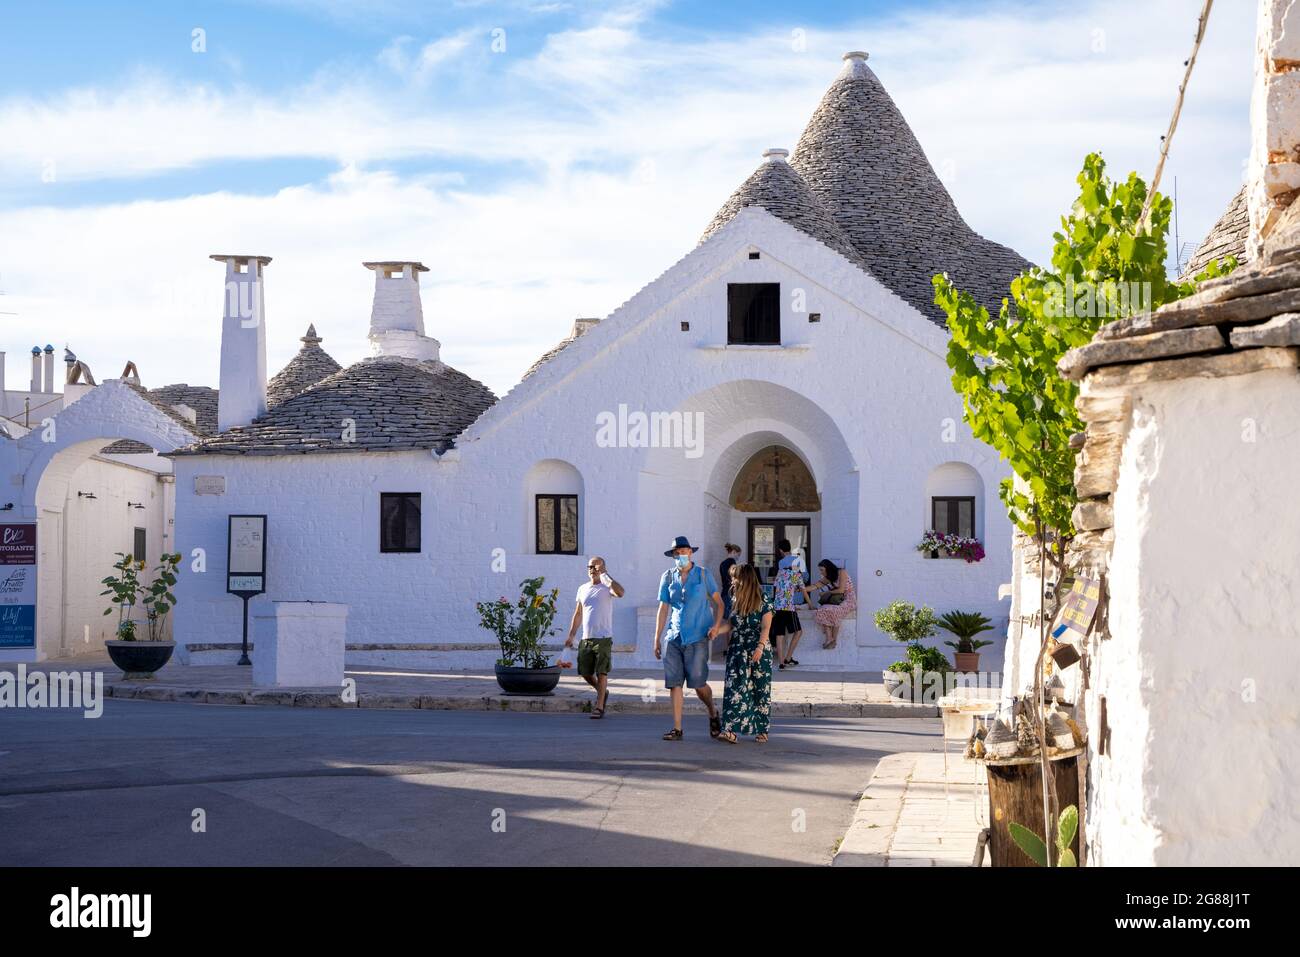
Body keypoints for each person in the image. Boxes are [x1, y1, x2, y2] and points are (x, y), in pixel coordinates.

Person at [654, 535, 724, 740]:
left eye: (684, 551)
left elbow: (720, 604)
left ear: (690, 552)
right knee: (675, 683)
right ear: (673, 555)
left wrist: (716, 626)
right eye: (677, 553)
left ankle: (712, 711)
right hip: (674, 637)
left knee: (698, 684)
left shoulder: (703, 575)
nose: (680, 555)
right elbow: (663, 608)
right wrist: (656, 638)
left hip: (698, 637)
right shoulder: (667, 577)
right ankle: (677, 728)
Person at [714, 563, 774, 744]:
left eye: (735, 577)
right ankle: (729, 730)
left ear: (745, 579)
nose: (732, 580)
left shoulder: (764, 599)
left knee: (759, 689)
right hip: (737, 649)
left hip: (758, 648)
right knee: (734, 688)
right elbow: (731, 625)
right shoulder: (735, 599)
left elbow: (766, 627)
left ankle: (761, 729)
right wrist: (716, 630)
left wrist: (760, 647)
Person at [564, 556, 625, 719]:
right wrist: (571, 635)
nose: (593, 570)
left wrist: (606, 576)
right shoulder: (582, 588)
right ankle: (602, 691)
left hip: (603, 637)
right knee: (584, 671)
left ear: (603, 568)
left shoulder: (607, 587)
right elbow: (578, 613)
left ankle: (599, 706)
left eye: (596, 567)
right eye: (590, 567)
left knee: (601, 671)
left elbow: (621, 593)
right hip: (586, 638)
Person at [771, 538, 813, 669]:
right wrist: (811, 605)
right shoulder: (798, 569)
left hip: (778, 605)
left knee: (780, 634)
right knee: (798, 632)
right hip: (791, 605)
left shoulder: (780, 570)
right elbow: (805, 582)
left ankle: (782, 662)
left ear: (781, 550)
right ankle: (788, 657)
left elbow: (776, 587)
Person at [809, 559, 856, 649]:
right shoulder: (829, 577)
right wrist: (801, 589)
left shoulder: (841, 572)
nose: (821, 572)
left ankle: (833, 640)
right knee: (822, 610)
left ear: (828, 568)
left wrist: (826, 593)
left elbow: (841, 590)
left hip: (848, 599)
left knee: (835, 611)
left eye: (822, 570)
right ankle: (829, 638)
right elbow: (815, 586)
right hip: (838, 600)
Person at [715, 543, 742, 660]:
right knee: (734, 621)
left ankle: (727, 647)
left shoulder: (722, 564)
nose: (738, 557)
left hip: (724, 594)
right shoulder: (733, 564)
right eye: (738, 554)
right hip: (732, 594)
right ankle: (733, 647)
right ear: (734, 552)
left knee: (726, 621)